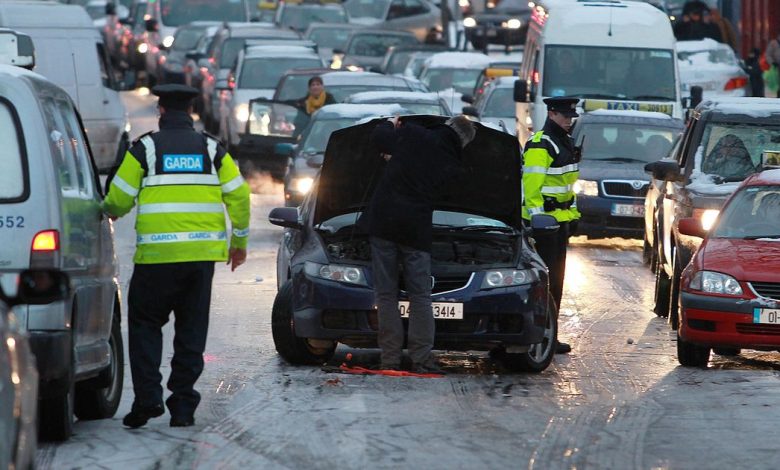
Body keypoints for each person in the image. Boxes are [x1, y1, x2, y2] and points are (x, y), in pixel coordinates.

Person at [103, 84, 250, 429]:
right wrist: (239, 243)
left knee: (144, 326)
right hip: (200, 260)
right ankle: (183, 407)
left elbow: (119, 199)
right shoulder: (211, 149)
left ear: (161, 112)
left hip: (157, 258)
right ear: (191, 114)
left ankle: (148, 399)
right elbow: (240, 196)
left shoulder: (146, 148)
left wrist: (108, 211)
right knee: (191, 332)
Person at [363, 115, 475, 373]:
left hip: (384, 223)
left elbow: (380, 138)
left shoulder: (414, 134)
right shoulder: (453, 165)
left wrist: (390, 123)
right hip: (416, 231)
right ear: (463, 142)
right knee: (421, 296)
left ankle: (390, 360)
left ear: (449, 125)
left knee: (386, 294)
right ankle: (421, 359)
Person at [522, 97, 582, 355]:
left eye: (571, 117)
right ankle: (539, 335)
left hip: (559, 224)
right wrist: (538, 223)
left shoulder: (564, 142)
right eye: (565, 116)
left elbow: (568, 187)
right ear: (551, 114)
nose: (569, 120)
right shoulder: (542, 144)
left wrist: (573, 216)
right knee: (544, 283)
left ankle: (550, 334)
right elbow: (531, 190)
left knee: (556, 283)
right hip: (543, 227)